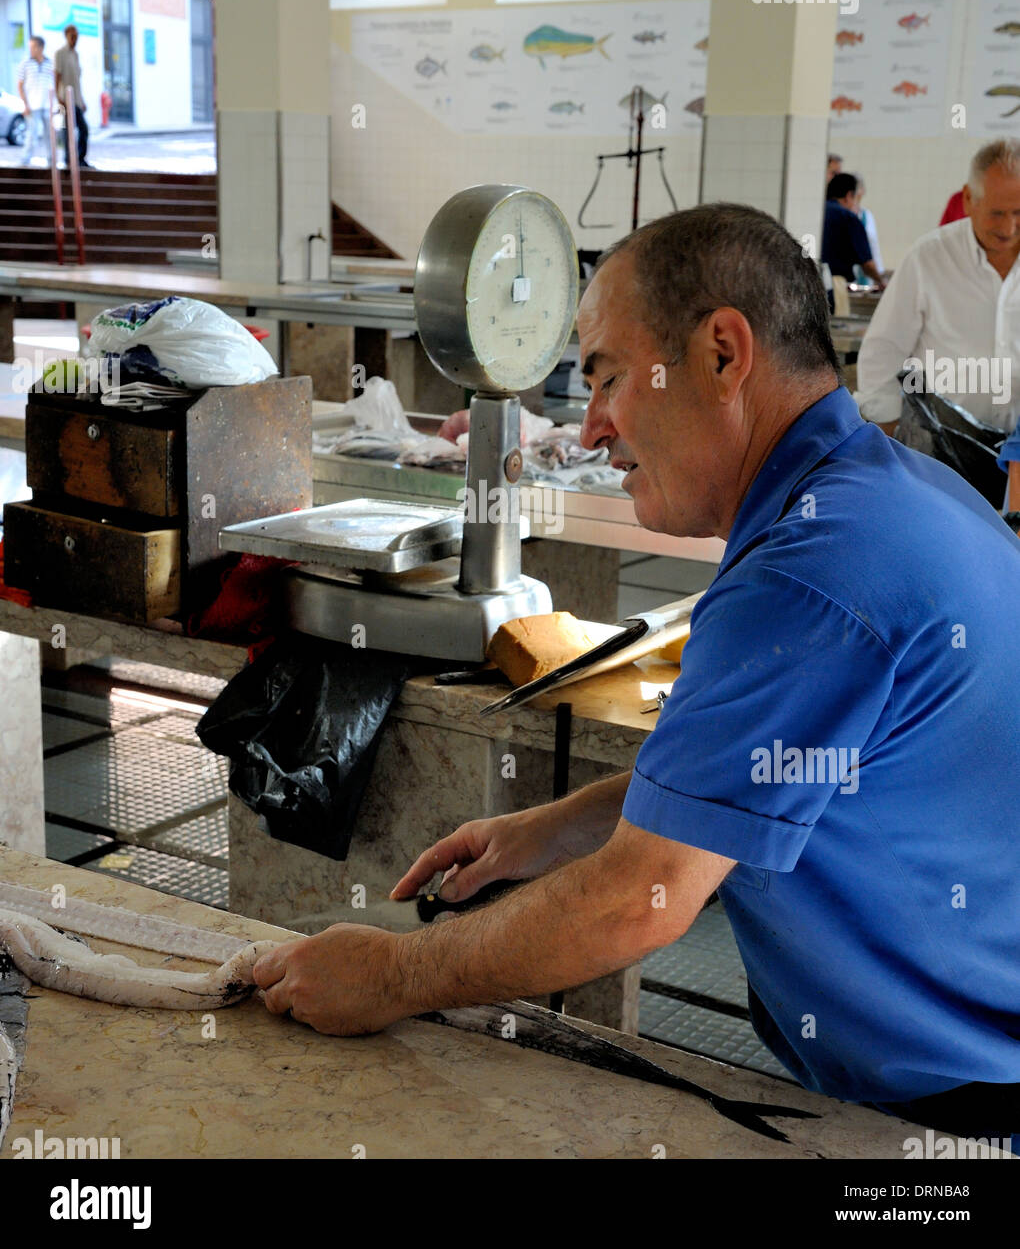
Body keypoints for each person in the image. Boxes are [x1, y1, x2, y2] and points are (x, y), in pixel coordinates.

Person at [252, 203, 1020, 1148]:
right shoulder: (900, 492)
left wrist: (392, 976)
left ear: (724, 354)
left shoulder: (807, 578)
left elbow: (639, 899)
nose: (591, 428)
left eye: (609, 377)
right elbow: (754, 778)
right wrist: (544, 831)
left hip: (960, 1111)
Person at [857, 138, 1020, 437]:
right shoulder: (930, 257)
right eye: (997, 213)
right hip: (941, 448)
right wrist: (887, 427)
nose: (1008, 229)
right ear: (969, 199)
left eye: (1019, 213)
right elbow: (885, 348)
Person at [822, 172, 884, 292]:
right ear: (849, 195)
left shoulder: (816, 213)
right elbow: (867, 265)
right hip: (836, 286)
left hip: (812, 282)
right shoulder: (848, 218)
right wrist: (881, 282)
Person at [53, 24, 91, 168]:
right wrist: (58, 99)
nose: (75, 39)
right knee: (68, 131)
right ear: (67, 36)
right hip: (65, 100)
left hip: (77, 100)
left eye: (77, 36)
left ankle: (80, 158)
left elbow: (77, 81)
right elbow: (56, 76)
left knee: (84, 129)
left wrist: (82, 101)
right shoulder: (60, 53)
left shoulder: (76, 55)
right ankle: (69, 160)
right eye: (72, 36)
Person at [16, 35, 54, 167]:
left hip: (47, 105)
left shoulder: (50, 63)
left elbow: (53, 83)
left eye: (33, 47)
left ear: (40, 48)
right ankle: (24, 163)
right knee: (31, 135)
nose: (31, 50)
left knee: (50, 135)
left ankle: (51, 163)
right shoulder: (25, 64)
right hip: (32, 105)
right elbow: (20, 85)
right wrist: (25, 105)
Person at [850, 173, 883, 282]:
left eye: (859, 188)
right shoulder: (842, 216)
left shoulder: (867, 215)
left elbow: (873, 245)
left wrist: (879, 272)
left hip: (867, 274)